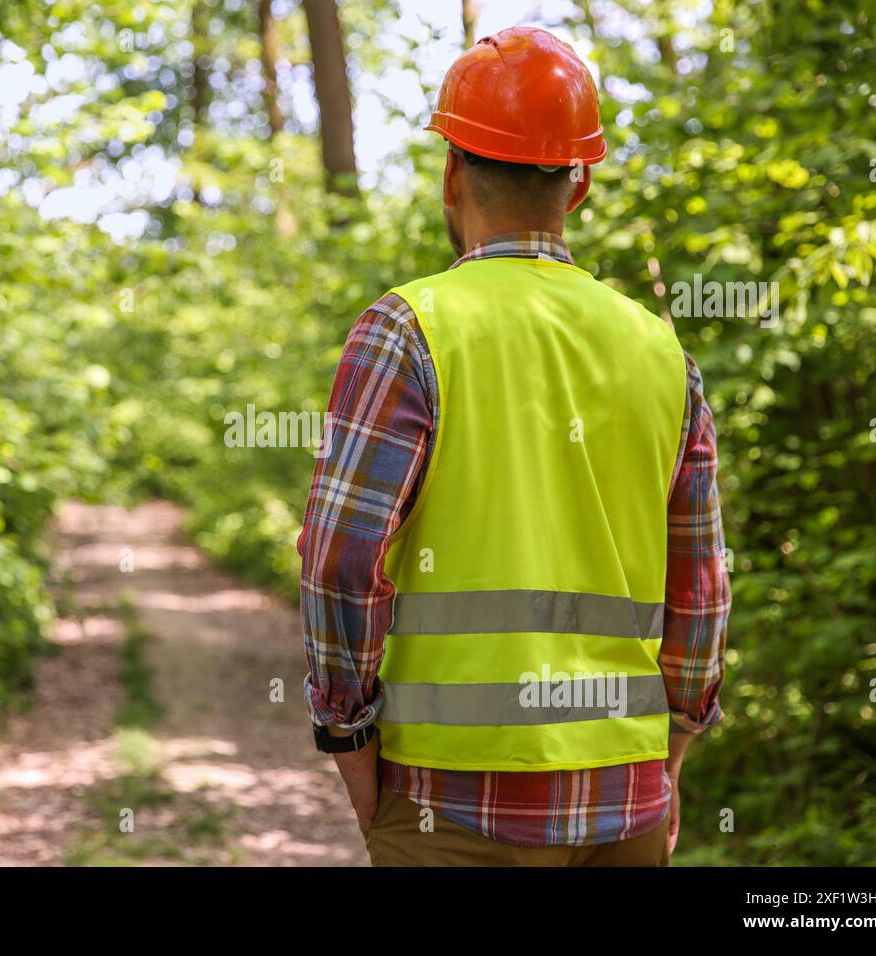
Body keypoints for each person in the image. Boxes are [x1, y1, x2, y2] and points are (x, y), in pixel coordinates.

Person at [298, 27, 730, 866]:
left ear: (453, 171)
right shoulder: (660, 352)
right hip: (627, 800)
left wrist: (347, 741)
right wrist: (670, 756)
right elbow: (702, 586)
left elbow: (338, 563)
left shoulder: (408, 329)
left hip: (451, 808)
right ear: (581, 184)